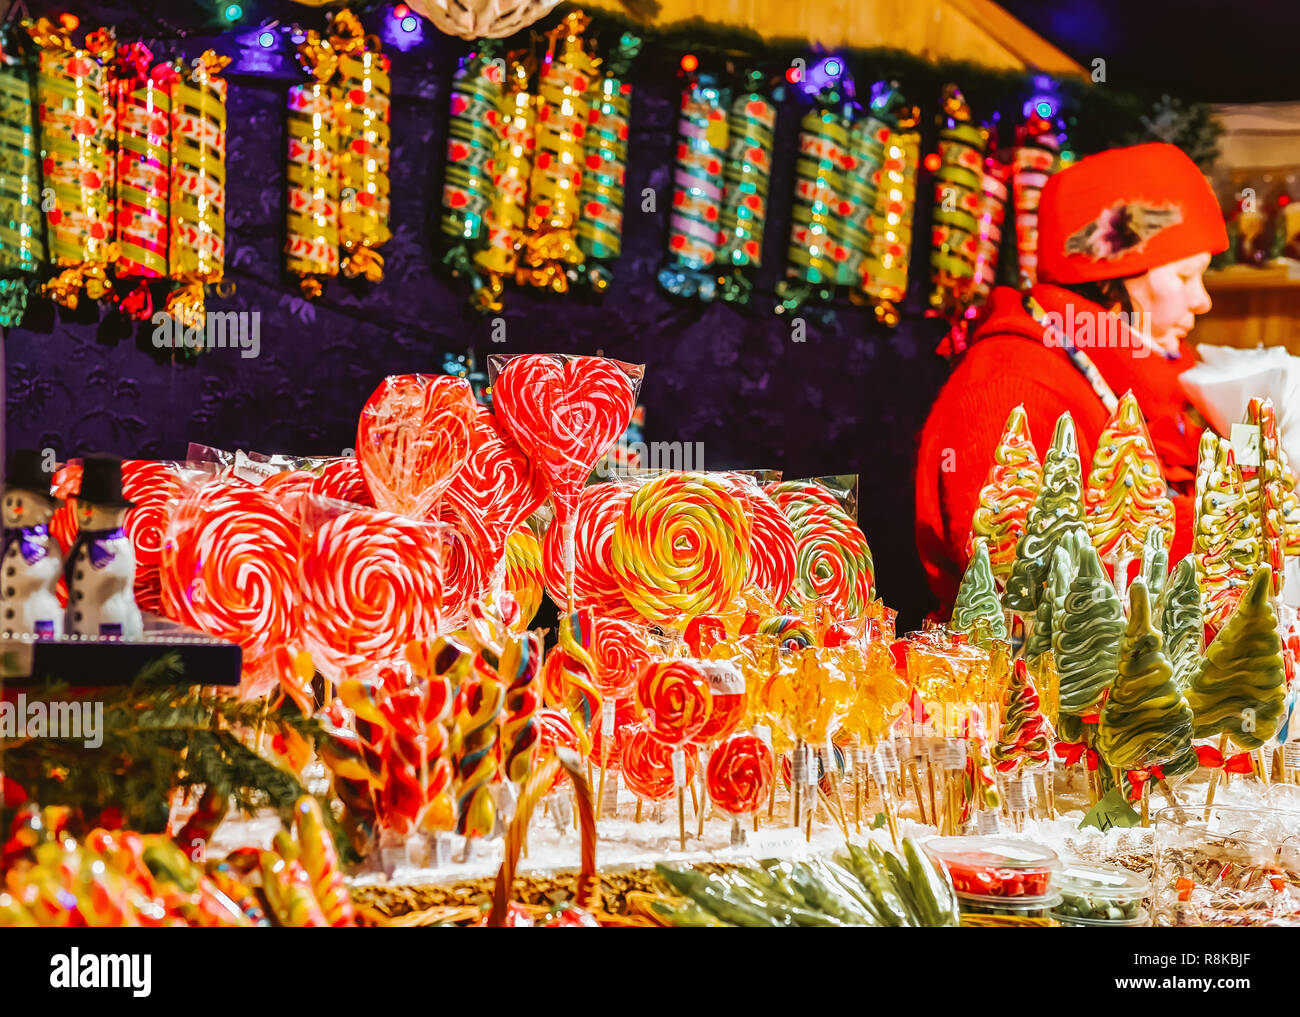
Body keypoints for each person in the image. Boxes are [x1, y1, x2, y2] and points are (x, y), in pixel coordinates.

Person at [915, 142, 1228, 614]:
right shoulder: (1011, 386)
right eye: (1184, 277)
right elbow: (1024, 580)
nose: (1202, 301)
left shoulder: (1138, 381)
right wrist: (1228, 527)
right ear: (1111, 278)